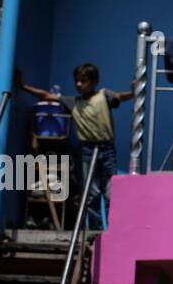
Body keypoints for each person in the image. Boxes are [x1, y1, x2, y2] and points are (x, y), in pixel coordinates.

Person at [20, 64, 131, 230]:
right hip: (87, 151)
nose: (79, 84)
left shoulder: (104, 96)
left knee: (110, 191)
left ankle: (112, 228)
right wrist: (23, 86)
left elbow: (119, 97)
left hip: (106, 150)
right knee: (91, 193)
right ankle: (95, 230)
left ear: (94, 82)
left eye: (83, 81)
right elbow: (47, 96)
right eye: (77, 81)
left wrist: (134, 92)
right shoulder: (73, 102)